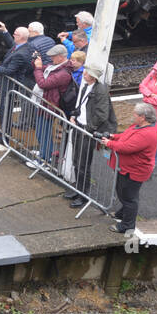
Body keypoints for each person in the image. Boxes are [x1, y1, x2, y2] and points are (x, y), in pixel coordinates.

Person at [100, 103, 157, 233]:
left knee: (129, 198)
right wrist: (113, 136)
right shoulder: (139, 126)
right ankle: (122, 214)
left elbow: (126, 147)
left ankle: (127, 225)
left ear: (143, 117)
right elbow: (126, 136)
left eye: (135, 114)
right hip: (127, 169)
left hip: (134, 171)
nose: (133, 116)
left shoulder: (146, 134)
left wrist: (109, 143)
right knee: (123, 193)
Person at [64, 62, 117, 207]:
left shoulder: (100, 90)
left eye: (86, 73)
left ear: (93, 77)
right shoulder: (87, 86)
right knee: (77, 161)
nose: (84, 74)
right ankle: (78, 189)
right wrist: (75, 115)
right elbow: (82, 105)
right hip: (80, 127)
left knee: (83, 163)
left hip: (86, 131)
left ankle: (83, 194)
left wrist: (89, 128)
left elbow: (102, 114)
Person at [0, 25, 34, 140]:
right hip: (12, 83)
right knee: (5, 108)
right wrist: (5, 31)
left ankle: (5, 136)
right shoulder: (24, 46)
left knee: (5, 109)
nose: (14, 35)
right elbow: (12, 44)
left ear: (21, 37)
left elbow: (9, 71)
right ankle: (5, 130)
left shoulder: (20, 53)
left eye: (15, 34)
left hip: (10, 85)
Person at [33, 45, 73, 161]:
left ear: (60, 57)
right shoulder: (55, 66)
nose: (51, 59)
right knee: (41, 130)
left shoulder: (63, 73)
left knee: (43, 132)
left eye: (53, 57)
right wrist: (36, 62)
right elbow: (42, 68)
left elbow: (43, 84)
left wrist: (38, 68)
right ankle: (44, 152)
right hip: (45, 103)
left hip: (49, 105)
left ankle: (45, 158)